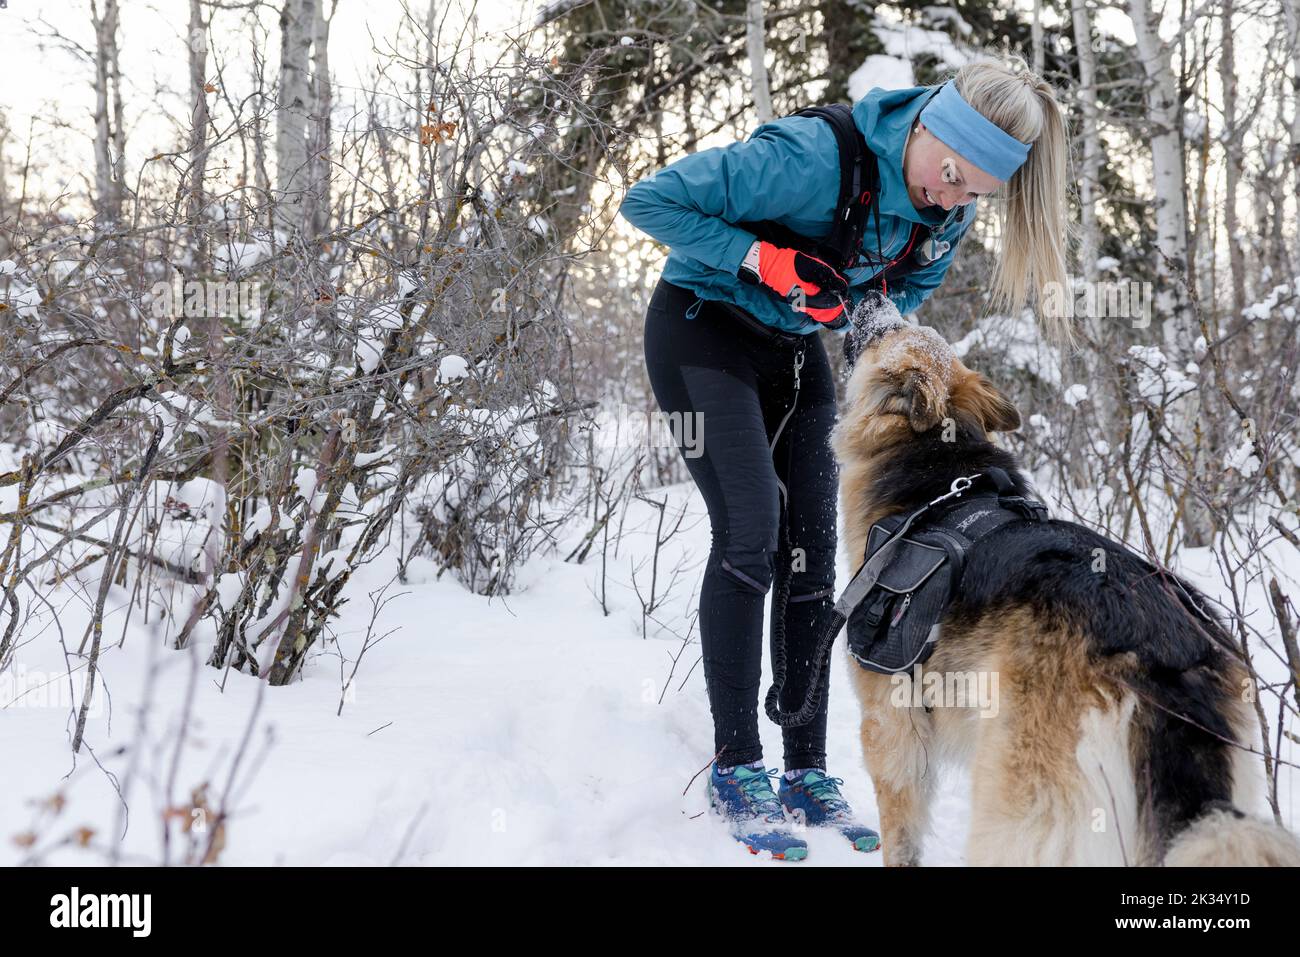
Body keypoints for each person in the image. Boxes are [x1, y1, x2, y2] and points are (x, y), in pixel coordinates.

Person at [620, 58, 1071, 861]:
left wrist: (858, 308)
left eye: (976, 195)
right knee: (752, 529)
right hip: (701, 330)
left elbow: (896, 297)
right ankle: (735, 765)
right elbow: (649, 200)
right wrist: (769, 263)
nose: (957, 202)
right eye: (954, 178)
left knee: (817, 554)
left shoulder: (944, 210)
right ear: (931, 129)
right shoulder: (809, 159)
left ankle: (806, 768)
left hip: (795, 351)